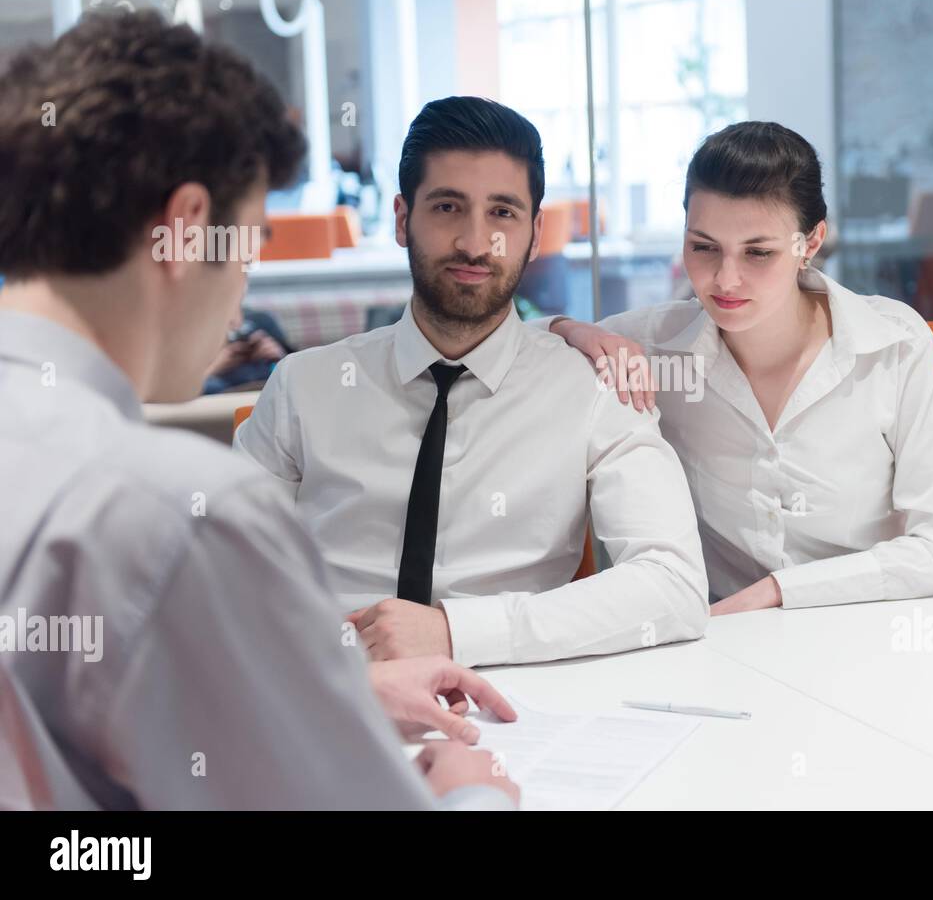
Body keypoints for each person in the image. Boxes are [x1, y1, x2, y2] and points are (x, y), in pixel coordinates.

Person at [0, 10, 517, 809]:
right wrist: (466, 794)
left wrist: (322, 693)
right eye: (251, 241)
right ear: (186, 228)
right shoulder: (172, 509)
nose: (244, 284)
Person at [234, 96, 708, 668]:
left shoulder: (595, 388)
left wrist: (455, 634)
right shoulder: (303, 386)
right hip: (327, 693)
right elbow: (214, 569)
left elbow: (673, 587)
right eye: (448, 208)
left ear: (535, 235)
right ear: (403, 218)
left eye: (502, 213)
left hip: (510, 703)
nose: (475, 244)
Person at [540, 122, 933, 615]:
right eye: (703, 247)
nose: (725, 279)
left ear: (810, 243)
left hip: (870, 632)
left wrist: (777, 593)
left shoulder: (895, 346)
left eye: (758, 252)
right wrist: (573, 331)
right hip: (728, 653)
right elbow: (513, 342)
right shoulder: (657, 345)